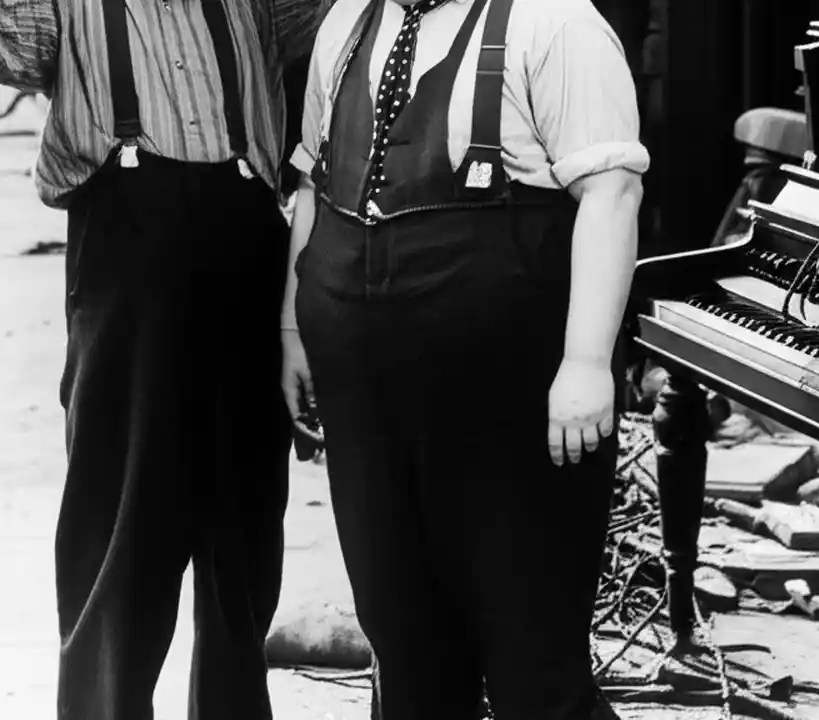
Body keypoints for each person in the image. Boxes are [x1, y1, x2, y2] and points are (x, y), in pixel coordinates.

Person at [281, 0, 647, 717]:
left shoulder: (557, 24)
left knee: (533, 661)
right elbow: (312, 188)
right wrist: (293, 335)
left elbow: (612, 194)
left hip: (507, 407)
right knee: (405, 644)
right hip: (367, 403)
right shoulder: (348, 24)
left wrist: (585, 362)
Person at [0, 2, 331, 718]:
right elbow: (14, 51)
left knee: (243, 531)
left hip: (246, 236)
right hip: (126, 242)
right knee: (121, 520)